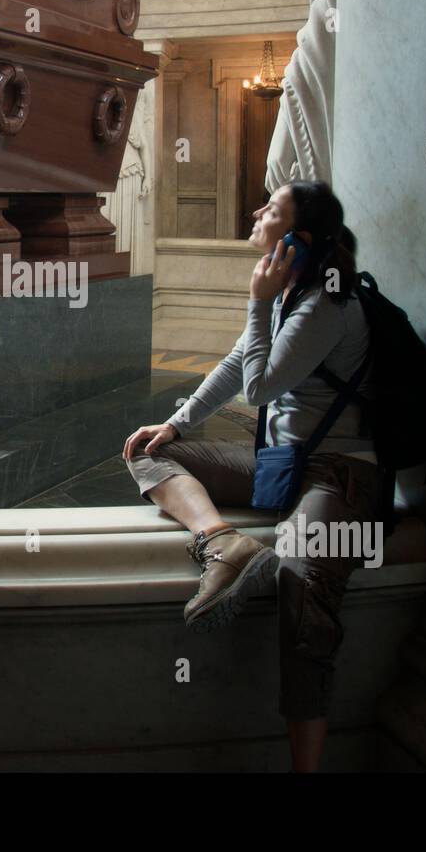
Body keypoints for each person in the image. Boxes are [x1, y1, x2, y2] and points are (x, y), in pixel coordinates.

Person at [122, 180, 381, 772]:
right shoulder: (296, 292)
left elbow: (262, 386)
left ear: (298, 238)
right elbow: (241, 362)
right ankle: (224, 544)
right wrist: (177, 424)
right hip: (284, 465)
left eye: (272, 208)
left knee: (302, 583)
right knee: (145, 450)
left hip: (338, 475)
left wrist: (258, 301)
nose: (257, 212)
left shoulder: (328, 303)